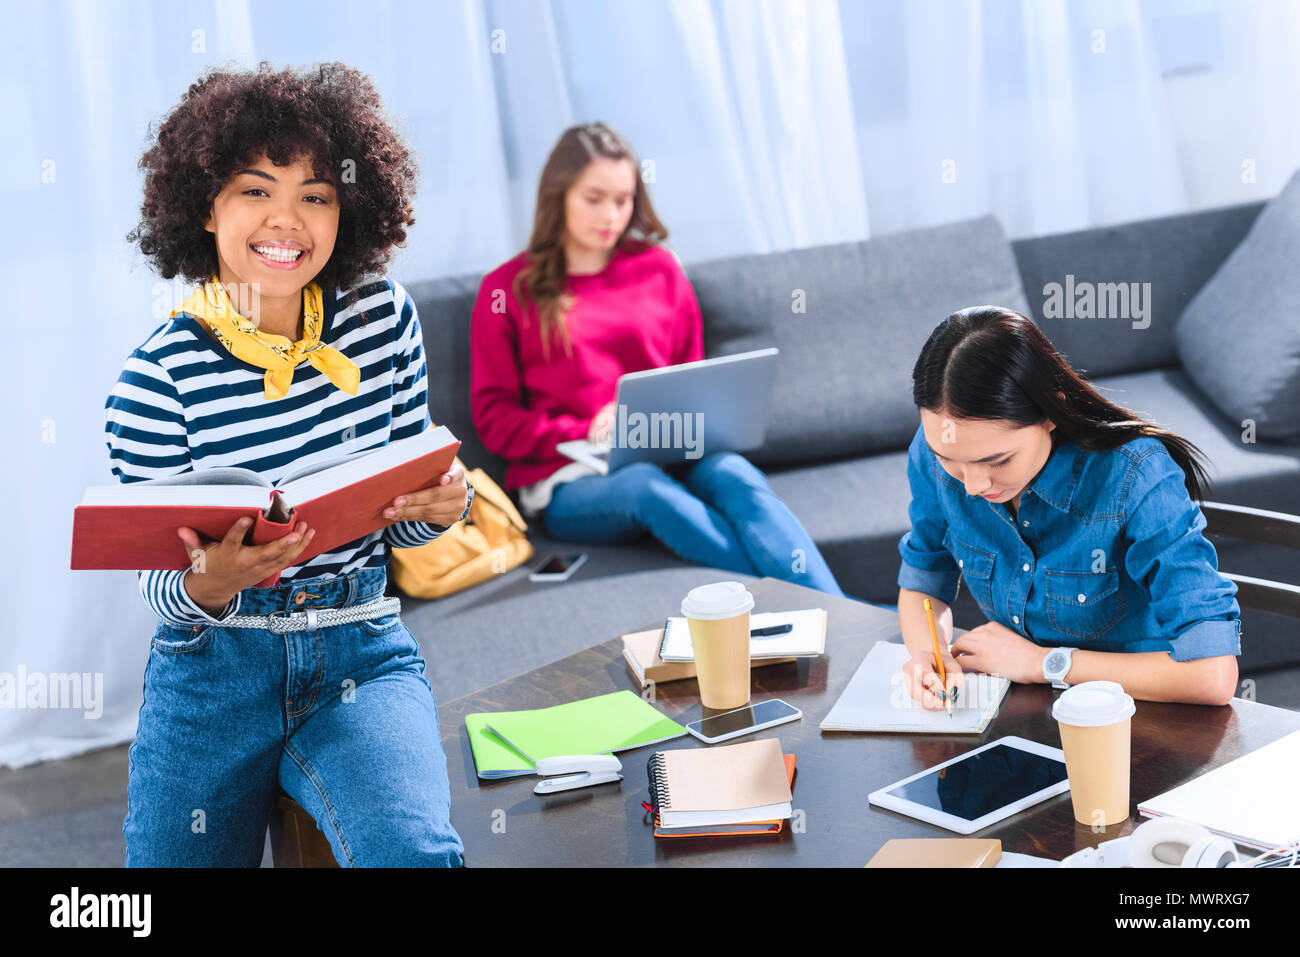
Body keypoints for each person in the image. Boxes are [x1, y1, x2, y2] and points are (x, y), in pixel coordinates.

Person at [111, 62, 470, 866]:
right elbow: (158, 579)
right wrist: (212, 578)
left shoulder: (384, 317)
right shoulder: (153, 379)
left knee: (413, 853)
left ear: (351, 209)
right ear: (204, 206)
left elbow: (403, 526)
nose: (288, 220)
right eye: (255, 191)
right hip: (213, 673)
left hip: (360, 646)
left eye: (316, 195)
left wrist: (443, 504)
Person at [470, 122, 842, 595]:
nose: (611, 215)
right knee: (645, 487)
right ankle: (805, 609)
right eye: (594, 198)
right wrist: (586, 429)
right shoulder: (506, 289)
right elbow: (494, 419)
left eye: (623, 200)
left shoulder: (659, 268)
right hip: (571, 477)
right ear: (558, 195)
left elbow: (695, 377)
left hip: (671, 449)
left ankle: (840, 618)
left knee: (735, 475)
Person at [897, 306, 1242, 708]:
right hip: (1029, 714)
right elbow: (924, 581)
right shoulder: (934, 450)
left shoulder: (1134, 475)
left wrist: (1045, 663)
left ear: (1050, 414)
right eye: (948, 460)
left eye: (997, 461)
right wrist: (926, 655)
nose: (972, 486)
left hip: (1141, 722)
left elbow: (1212, 676)